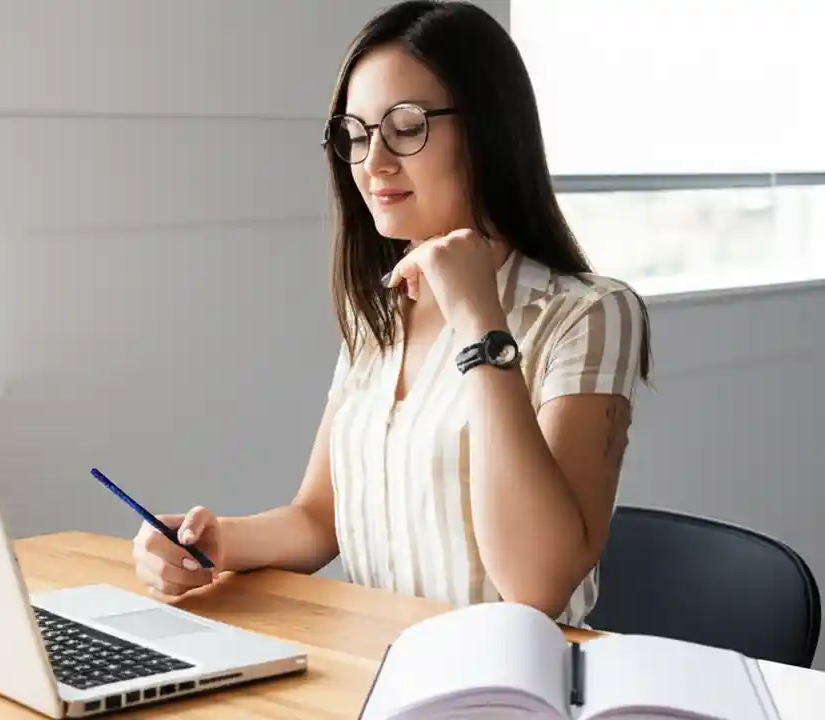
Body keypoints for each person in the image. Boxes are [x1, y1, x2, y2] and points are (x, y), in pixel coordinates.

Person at [133, 0, 651, 626]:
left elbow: (535, 585)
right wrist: (210, 543)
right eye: (355, 133)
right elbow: (319, 519)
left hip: (513, 688)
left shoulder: (587, 315)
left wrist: (480, 323)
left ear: (488, 129)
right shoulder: (375, 313)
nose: (372, 162)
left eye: (406, 128)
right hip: (377, 667)